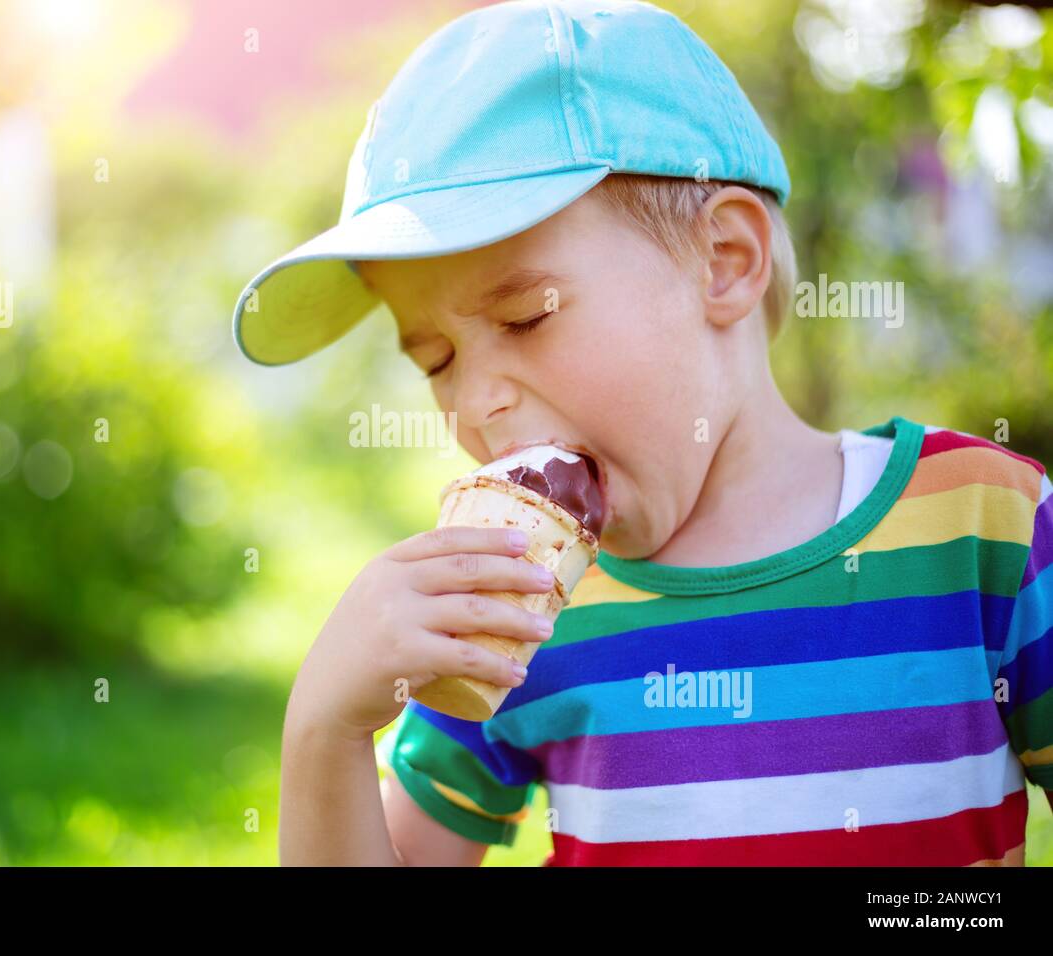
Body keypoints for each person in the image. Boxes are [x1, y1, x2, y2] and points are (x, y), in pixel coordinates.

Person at [232, 0, 1052, 866]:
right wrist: (324, 727)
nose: (475, 403)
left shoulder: (983, 532)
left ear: (724, 261)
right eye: (435, 359)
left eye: (523, 318)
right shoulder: (506, 618)